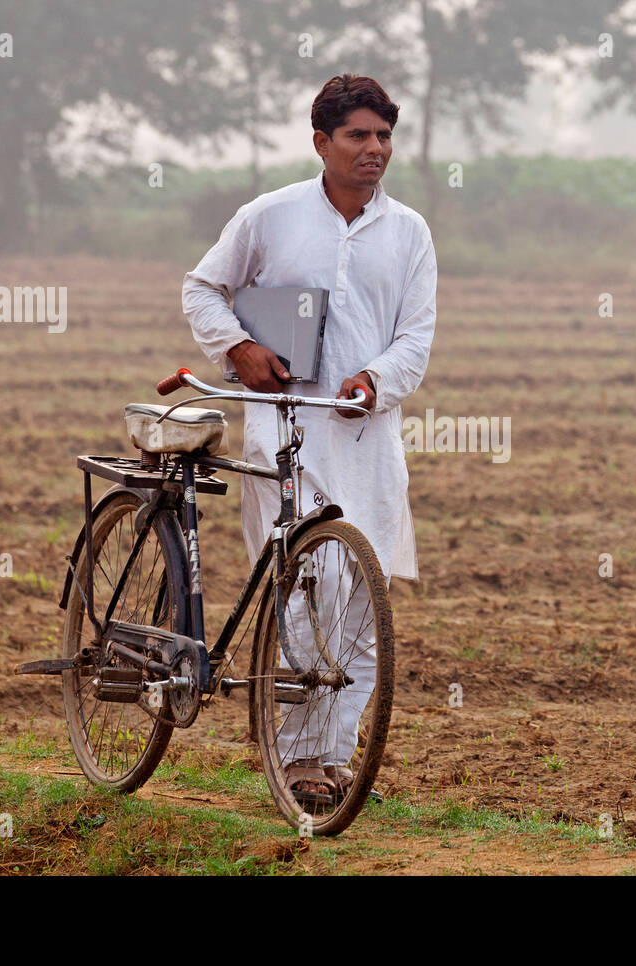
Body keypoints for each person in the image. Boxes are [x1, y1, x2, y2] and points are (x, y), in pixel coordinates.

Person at [181, 73, 437, 801]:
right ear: (321, 142)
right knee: (308, 587)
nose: (374, 149)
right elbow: (201, 288)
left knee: (363, 598)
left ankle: (333, 757)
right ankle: (293, 760)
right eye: (358, 135)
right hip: (286, 430)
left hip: (370, 440)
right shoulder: (270, 216)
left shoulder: (410, 232)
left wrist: (375, 381)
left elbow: (416, 339)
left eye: (384, 135)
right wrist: (238, 349)